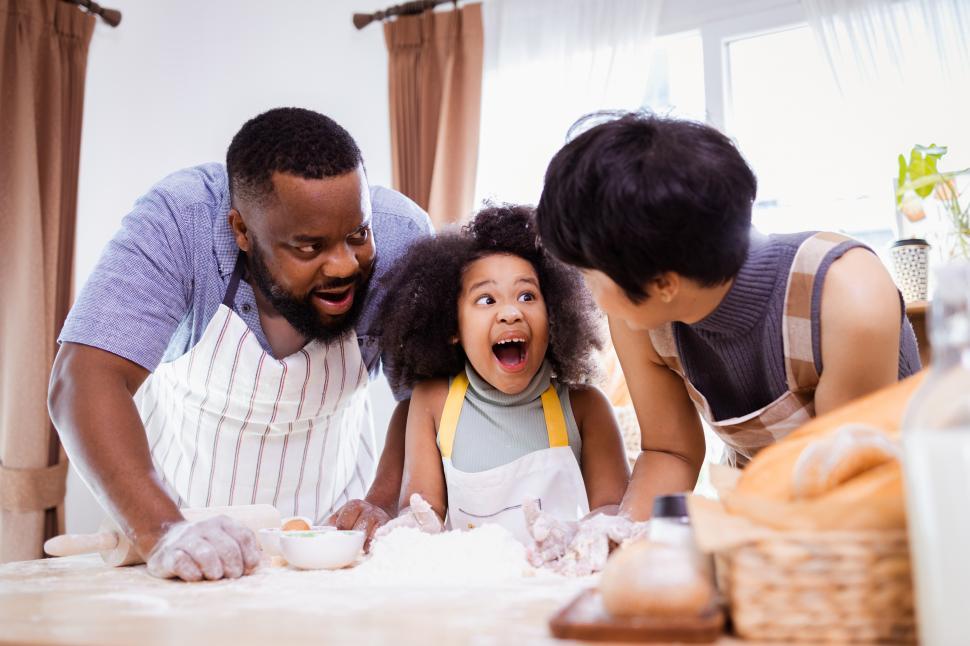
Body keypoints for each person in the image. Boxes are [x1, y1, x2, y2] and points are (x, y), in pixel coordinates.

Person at [48, 107, 431, 582]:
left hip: (334, 542)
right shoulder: (180, 222)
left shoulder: (403, 239)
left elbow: (427, 396)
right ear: (242, 232)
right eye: (309, 247)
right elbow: (81, 379)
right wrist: (162, 530)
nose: (344, 266)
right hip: (184, 528)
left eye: (358, 235)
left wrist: (382, 502)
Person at [530, 111, 921, 557]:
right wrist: (618, 541)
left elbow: (838, 478)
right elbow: (670, 453)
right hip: (763, 514)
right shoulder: (640, 312)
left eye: (587, 274)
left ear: (663, 284)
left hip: (882, 516)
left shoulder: (845, 295)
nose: (587, 291)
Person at [372, 205, 630, 564]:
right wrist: (411, 530)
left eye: (527, 296)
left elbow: (615, 510)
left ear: (554, 316)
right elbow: (419, 510)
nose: (511, 312)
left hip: (557, 586)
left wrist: (584, 534)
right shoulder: (434, 403)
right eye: (486, 299)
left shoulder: (586, 408)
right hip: (474, 594)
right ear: (452, 329)